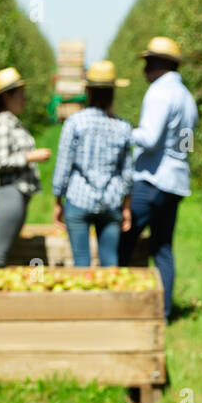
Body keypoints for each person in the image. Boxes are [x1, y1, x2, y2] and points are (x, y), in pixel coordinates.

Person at [117, 36, 198, 320]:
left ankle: (119, 305)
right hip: (176, 181)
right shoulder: (187, 97)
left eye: (148, 63)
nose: (144, 71)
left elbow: (149, 138)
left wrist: (120, 131)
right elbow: (187, 145)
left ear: (158, 65)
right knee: (162, 248)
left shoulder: (159, 93)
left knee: (121, 239)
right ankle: (162, 313)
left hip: (152, 180)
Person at [51, 60, 134, 267]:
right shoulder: (123, 127)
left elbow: (64, 165)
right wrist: (126, 206)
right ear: (113, 93)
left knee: (81, 262)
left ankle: (86, 298)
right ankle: (109, 298)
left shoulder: (75, 123)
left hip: (79, 198)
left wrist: (57, 201)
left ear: (88, 91)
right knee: (110, 262)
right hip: (111, 200)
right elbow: (127, 172)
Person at [0, 67, 52, 268]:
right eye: (21, 94)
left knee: (6, 252)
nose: (25, 98)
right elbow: (1, 161)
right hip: (9, 195)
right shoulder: (3, 122)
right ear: (7, 96)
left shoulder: (12, 122)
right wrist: (32, 156)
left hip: (16, 195)